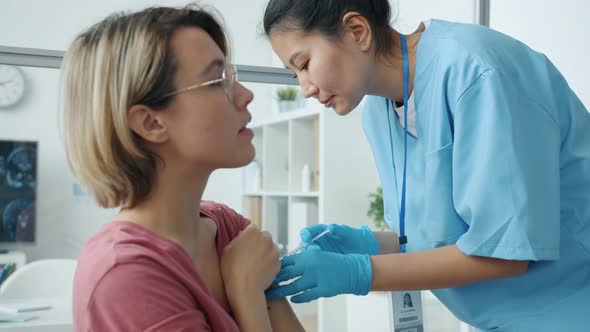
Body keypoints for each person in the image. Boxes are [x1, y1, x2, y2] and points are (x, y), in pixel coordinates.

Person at [262, 0, 590, 331]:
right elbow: (442, 234)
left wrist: (359, 271)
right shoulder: (379, 111)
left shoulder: (477, 72)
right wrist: (373, 245)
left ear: (356, 31)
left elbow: (505, 252)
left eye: (304, 65)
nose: (305, 88)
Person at [61, 4, 304, 331]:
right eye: (218, 80)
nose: (245, 95)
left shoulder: (227, 228)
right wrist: (247, 292)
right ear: (150, 122)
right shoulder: (125, 277)